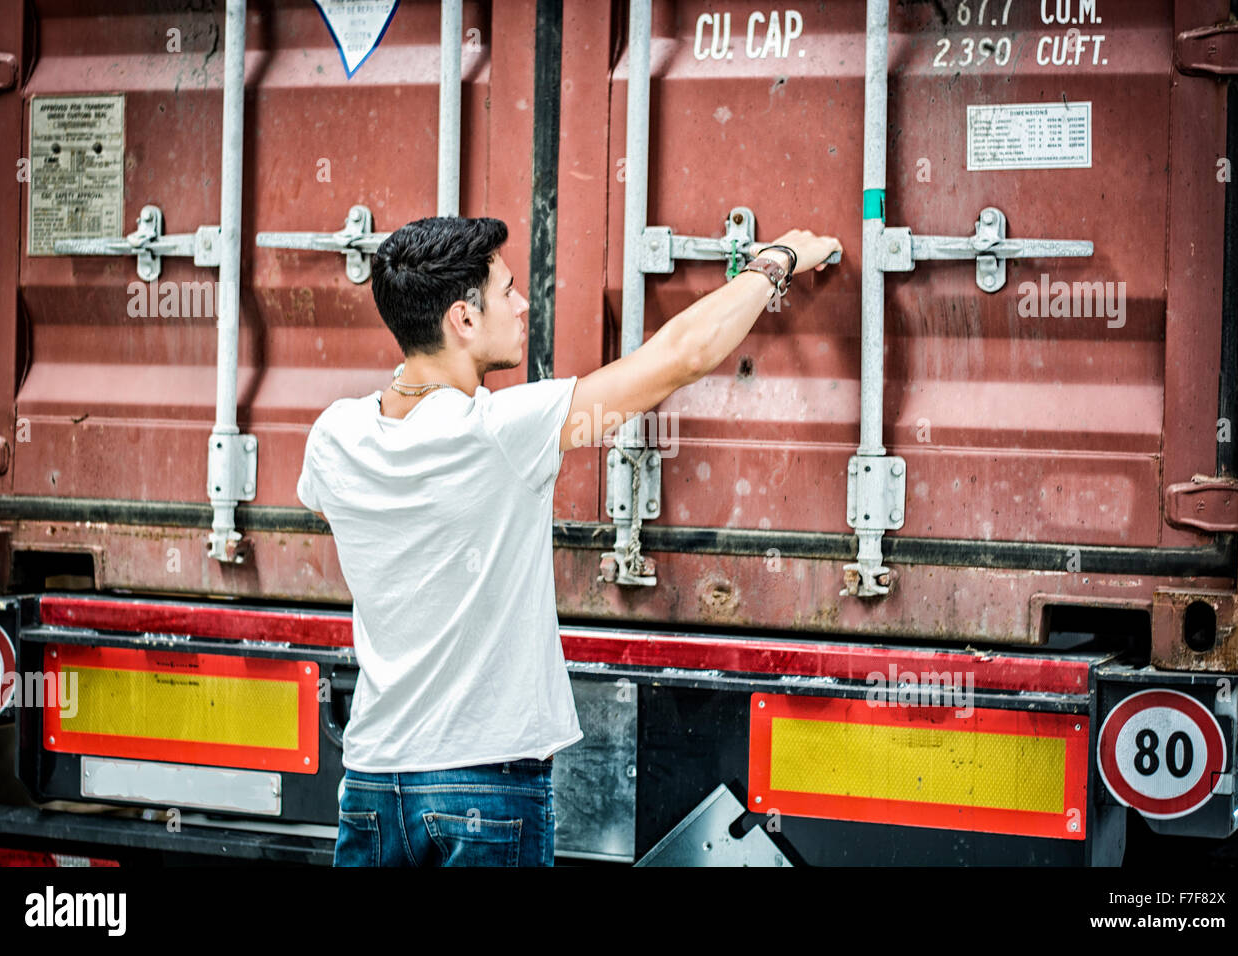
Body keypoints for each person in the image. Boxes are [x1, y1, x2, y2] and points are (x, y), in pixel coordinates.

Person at [297, 215, 841, 866]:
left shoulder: (335, 437)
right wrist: (776, 260)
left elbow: (345, 520)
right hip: (482, 785)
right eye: (505, 292)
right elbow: (680, 359)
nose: (521, 304)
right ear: (463, 320)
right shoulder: (502, 432)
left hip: (371, 785)